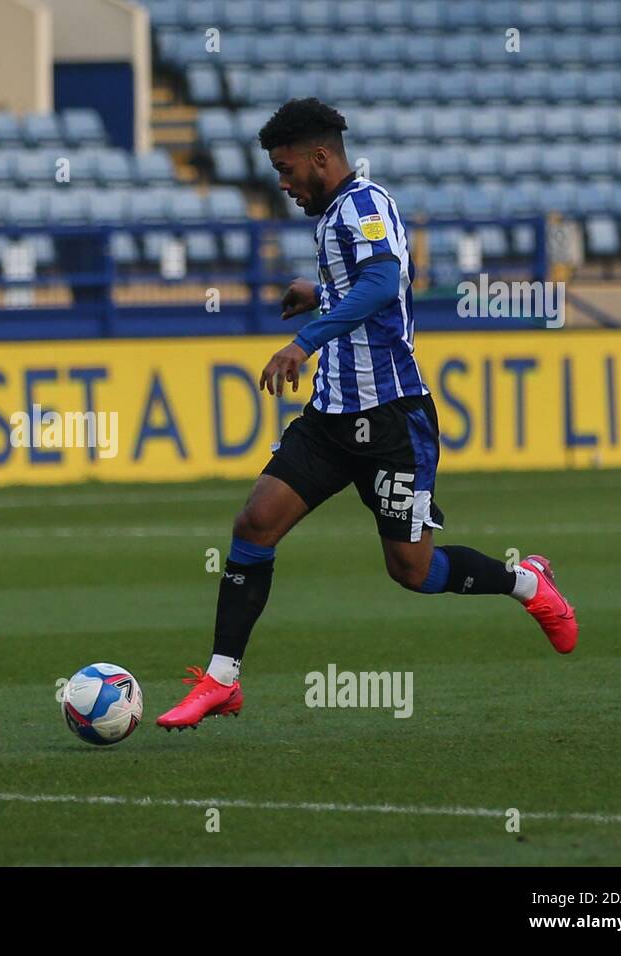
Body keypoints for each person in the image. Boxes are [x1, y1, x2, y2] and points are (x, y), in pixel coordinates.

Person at [156, 99, 577, 731]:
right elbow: (369, 288)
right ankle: (222, 680)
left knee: (412, 569)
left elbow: (384, 283)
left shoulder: (365, 204)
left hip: (392, 423)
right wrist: (320, 290)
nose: (282, 182)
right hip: (331, 417)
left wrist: (303, 342)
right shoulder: (331, 215)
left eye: (286, 167)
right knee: (255, 524)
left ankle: (526, 583)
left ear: (320, 156)